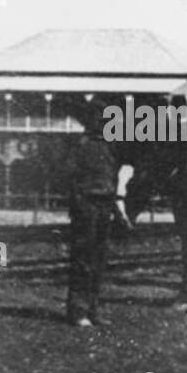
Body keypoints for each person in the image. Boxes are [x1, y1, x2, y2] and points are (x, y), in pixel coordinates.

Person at [66, 131, 120, 326]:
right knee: (83, 257)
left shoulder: (110, 145)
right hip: (86, 203)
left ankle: (93, 310)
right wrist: (79, 202)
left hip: (105, 203)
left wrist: (113, 203)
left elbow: (114, 176)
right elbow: (70, 175)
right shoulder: (81, 144)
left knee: (99, 258)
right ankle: (78, 311)